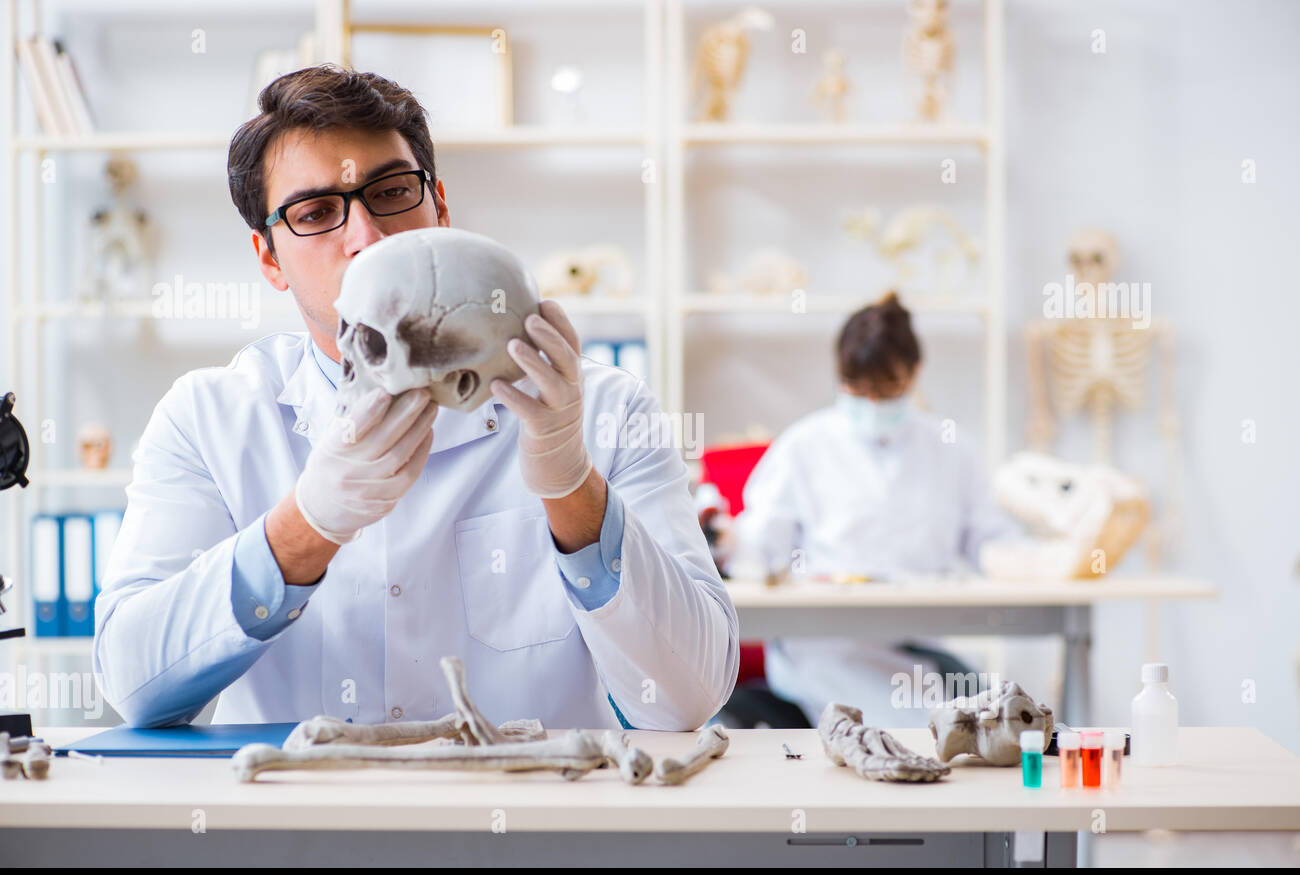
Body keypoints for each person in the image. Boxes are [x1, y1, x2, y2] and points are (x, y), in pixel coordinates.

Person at [93, 65, 738, 730]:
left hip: (533, 825)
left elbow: (689, 697)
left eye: (392, 191)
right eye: (315, 212)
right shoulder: (208, 419)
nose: (366, 235)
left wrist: (572, 486)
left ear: (441, 209)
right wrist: (304, 527)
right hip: (301, 826)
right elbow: (134, 685)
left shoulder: (604, 411)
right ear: (269, 260)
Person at [731, 292, 1019, 729]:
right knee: (922, 725)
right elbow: (759, 548)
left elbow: (990, 541)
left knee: (967, 716)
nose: (872, 404)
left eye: (887, 390)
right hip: (824, 644)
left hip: (916, 639)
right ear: (838, 376)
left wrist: (1038, 559)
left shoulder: (951, 448)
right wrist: (726, 541)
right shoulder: (804, 446)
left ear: (916, 373)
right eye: (857, 389)